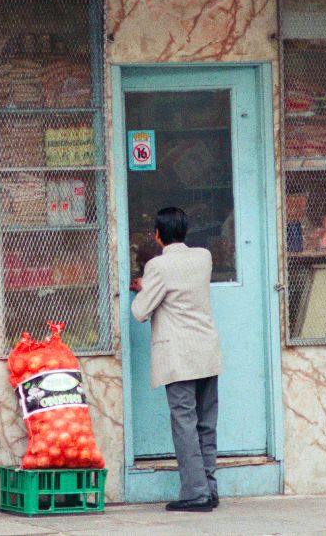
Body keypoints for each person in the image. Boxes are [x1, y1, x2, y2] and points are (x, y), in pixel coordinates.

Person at [130, 206, 222, 512]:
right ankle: (209, 488)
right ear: (185, 231)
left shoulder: (158, 267)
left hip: (180, 356)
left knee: (185, 423)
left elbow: (140, 311)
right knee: (206, 424)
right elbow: (182, 287)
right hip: (206, 351)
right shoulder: (203, 257)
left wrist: (144, 287)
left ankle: (195, 493)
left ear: (157, 235)